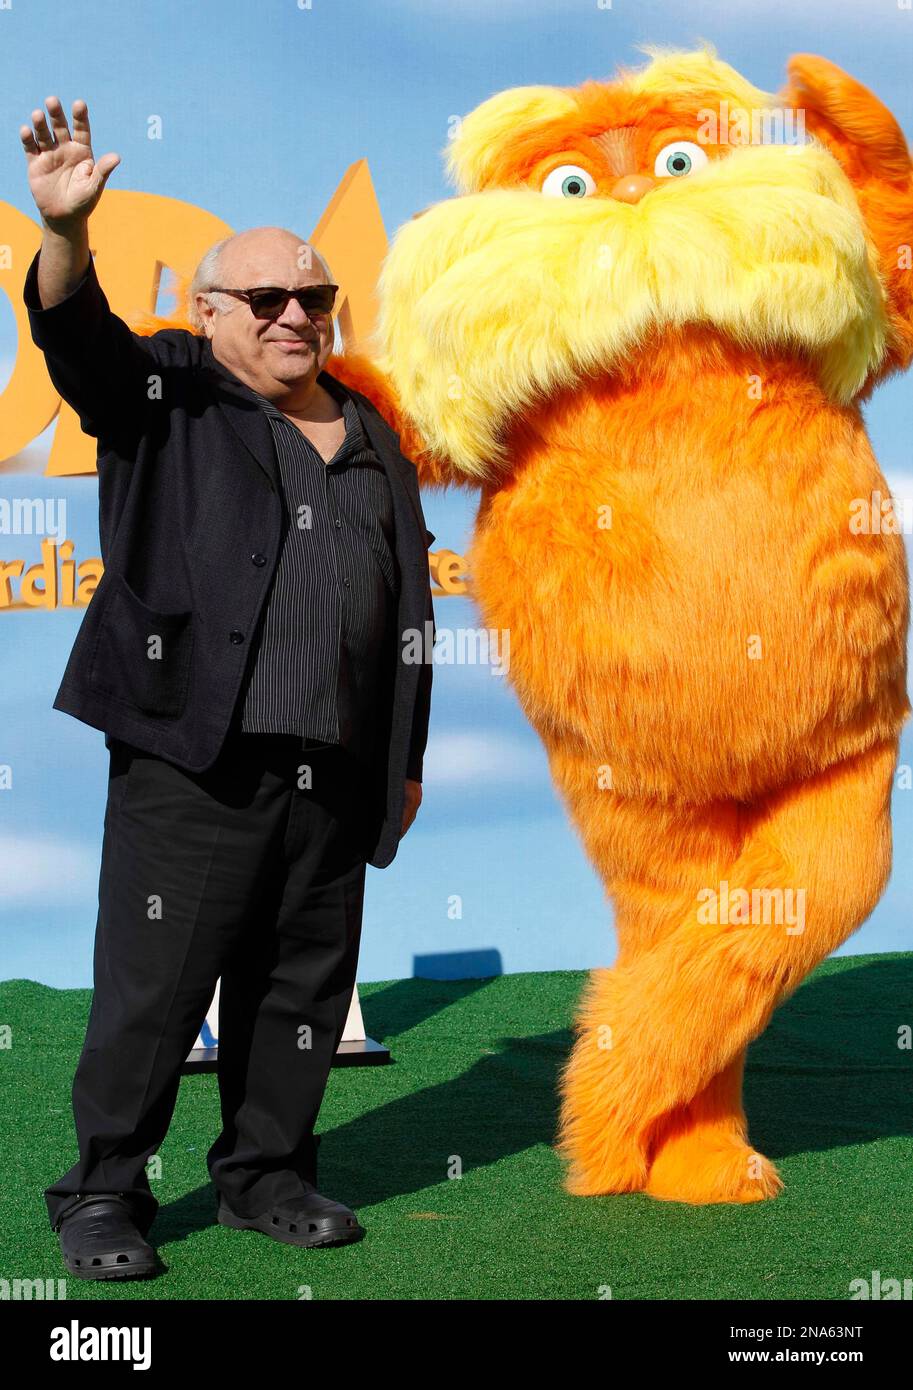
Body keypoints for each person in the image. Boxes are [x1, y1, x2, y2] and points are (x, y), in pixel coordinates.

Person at [19, 95, 436, 1279]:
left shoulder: (369, 432)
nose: (296, 315)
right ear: (209, 314)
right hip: (193, 757)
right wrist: (65, 230)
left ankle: (265, 1175)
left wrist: (400, 760)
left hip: (338, 764)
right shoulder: (168, 393)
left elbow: (408, 610)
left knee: (303, 985)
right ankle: (101, 1194)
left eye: (313, 298)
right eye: (266, 300)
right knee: (155, 991)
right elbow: (76, 341)